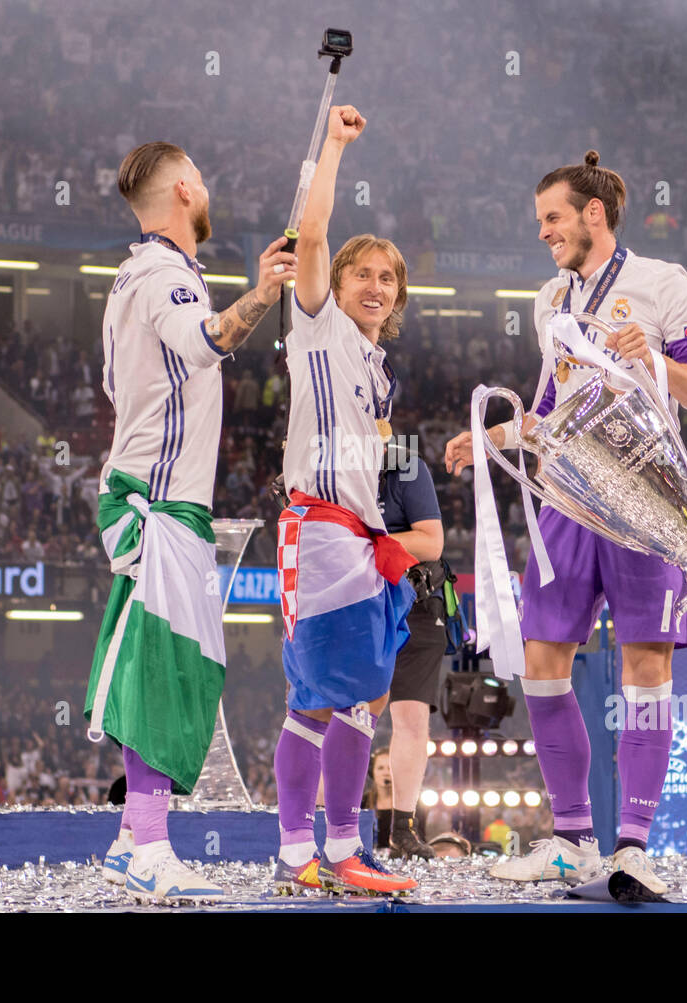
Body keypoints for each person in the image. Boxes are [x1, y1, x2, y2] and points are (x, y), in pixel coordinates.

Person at [445, 151, 687, 895]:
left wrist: (658, 362)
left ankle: (632, 846)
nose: (543, 232)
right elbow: (552, 412)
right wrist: (496, 438)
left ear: (592, 215)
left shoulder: (664, 284)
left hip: (642, 500)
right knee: (542, 659)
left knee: (646, 665)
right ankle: (571, 837)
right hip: (568, 498)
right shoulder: (550, 299)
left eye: (552, 217)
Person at [87, 140, 297, 904]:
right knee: (166, 670)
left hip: (158, 495)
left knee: (172, 667)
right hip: (159, 499)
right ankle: (149, 845)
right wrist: (261, 295)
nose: (207, 189)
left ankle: (126, 840)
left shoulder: (140, 276)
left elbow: (124, 382)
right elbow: (206, 341)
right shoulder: (165, 276)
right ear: (181, 190)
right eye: (201, 179)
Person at [270, 105, 418, 897]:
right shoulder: (318, 328)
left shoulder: (375, 366)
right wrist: (330, 144)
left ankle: (326, 849)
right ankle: (312, 850)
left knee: (352, 696)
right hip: (322, 537)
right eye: (362, 271)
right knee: (325, 699)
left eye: (386, 277)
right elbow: (314, 231)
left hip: (357, 541)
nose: (373, 284)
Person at [376, 438, 446, 858]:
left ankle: (403, 828)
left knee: (412, 718)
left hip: (416, 601)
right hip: (356, 599)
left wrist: (365, 538)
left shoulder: (406, 465)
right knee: (349, 712)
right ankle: (330, 823)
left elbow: (430, 543)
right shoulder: (327, 466)